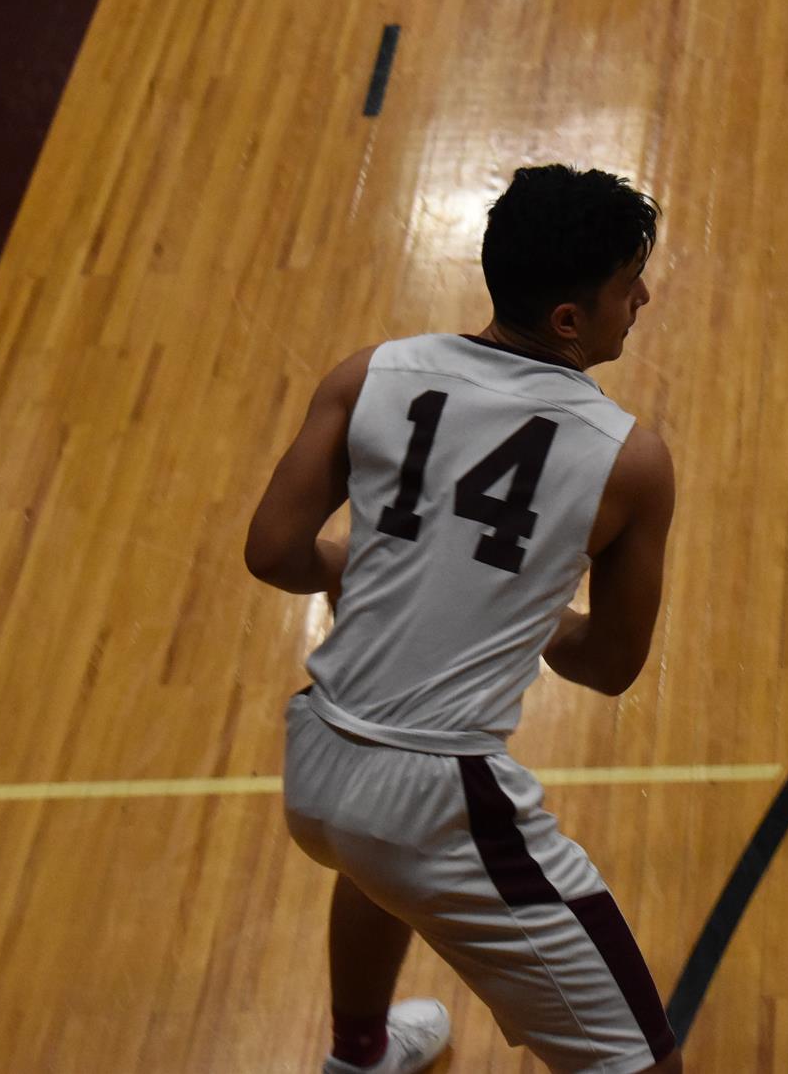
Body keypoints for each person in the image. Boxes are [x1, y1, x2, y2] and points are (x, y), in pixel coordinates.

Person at [250, 164, 682, 1074]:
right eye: (627, 284)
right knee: (642, 1062)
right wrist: (532, 616)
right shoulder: (629, 459)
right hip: (439, 797)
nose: (642, 297)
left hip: (318, 758)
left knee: (377, 866)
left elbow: (276, 551)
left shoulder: (373, 370)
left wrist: (357, 564)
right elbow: (609, 665)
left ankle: (360, 1056)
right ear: (568, 320)